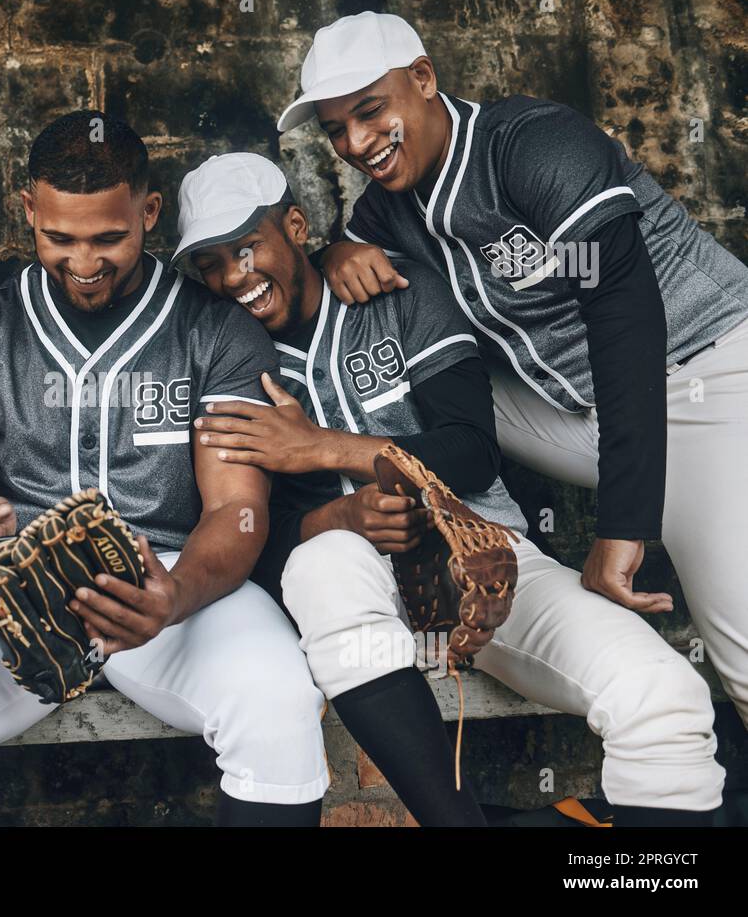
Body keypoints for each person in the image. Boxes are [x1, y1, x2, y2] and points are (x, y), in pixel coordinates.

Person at [179, 151, 724, 826]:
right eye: (210, 263)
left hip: (487, 558)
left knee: (665, 694)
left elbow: (470, 447)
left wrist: (323, 446)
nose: (233, 276)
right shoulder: (221, 358)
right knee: (324, 561)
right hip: (356, 602)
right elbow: (251, 542)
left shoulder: (396, 292)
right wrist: (342, 513)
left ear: (294, 225)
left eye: (245, 248)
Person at [277, 11, 748, 730]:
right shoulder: (388, 209)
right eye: (337, 130)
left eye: (371, 112)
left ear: (425, 79)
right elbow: (341, 256)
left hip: (706, 374)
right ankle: (412, 572)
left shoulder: (531, 142)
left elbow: (625, 317)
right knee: (416, 398)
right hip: (570, 409)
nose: (356, 143)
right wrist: (333, 253)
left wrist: (623, 524)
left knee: (741, 659)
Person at [0, 111, 328, 826]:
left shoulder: (216, 327)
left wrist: (173, 596)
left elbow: (237, 511)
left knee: (279, 702)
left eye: (108, 237)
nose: (84, 261)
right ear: (28, 210)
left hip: (171, 577)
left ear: (149, 212)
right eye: (60, 237)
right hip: (14, 577)